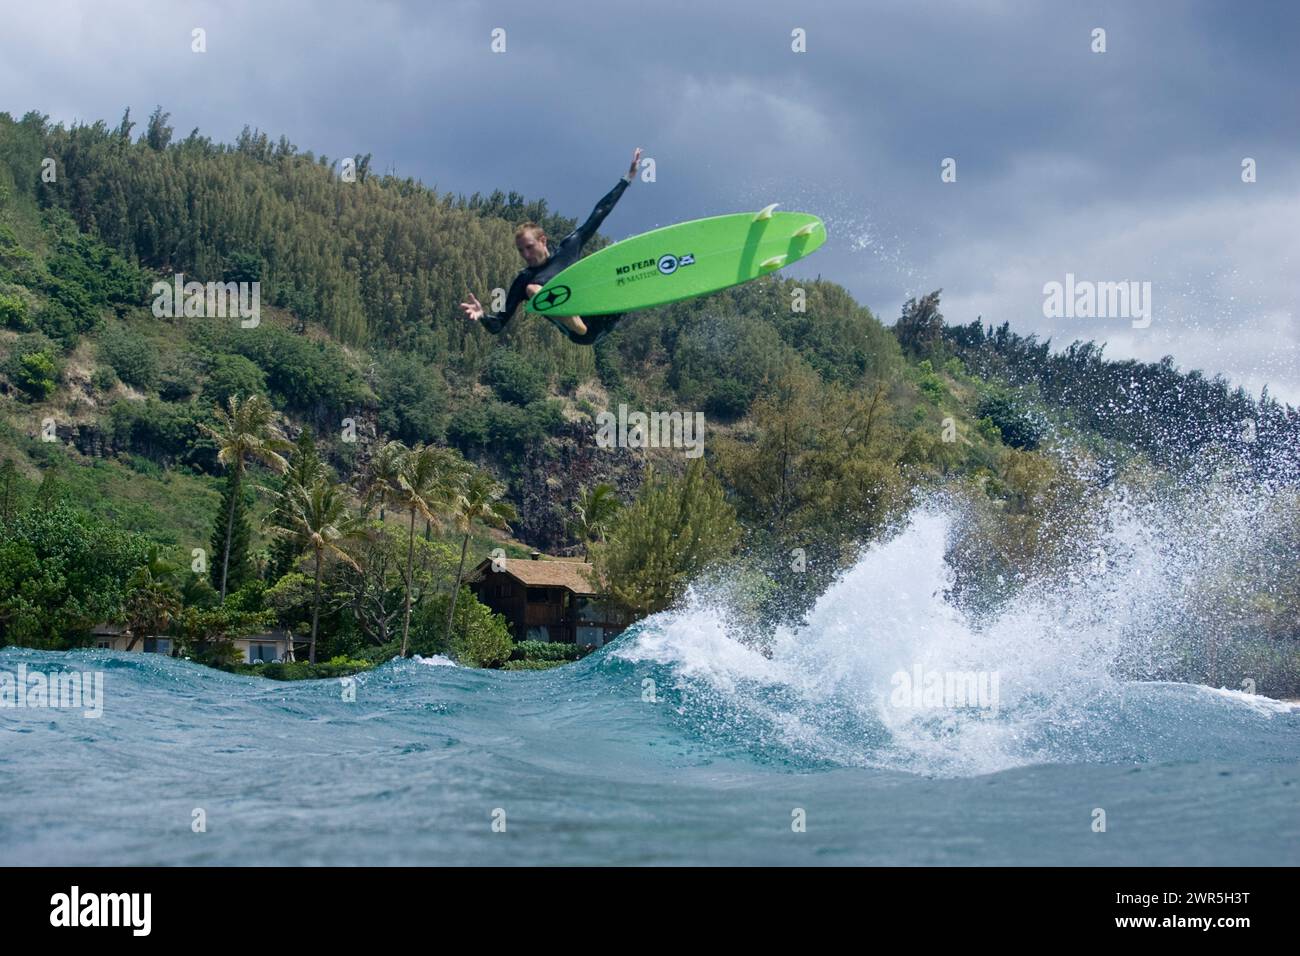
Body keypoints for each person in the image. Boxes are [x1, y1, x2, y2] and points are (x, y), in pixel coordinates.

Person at [459, 147, 641, 346]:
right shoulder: (523, 280)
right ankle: (574, 320)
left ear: (543, 240)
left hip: (603, 315)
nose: (525, 254)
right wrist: (482, 315)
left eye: (529, 247)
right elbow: (498, 325)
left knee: (606, 266)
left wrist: (627, 178)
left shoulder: (569, 248)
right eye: (521, 250)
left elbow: (599, 212)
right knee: (532, 289)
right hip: (581, 333)